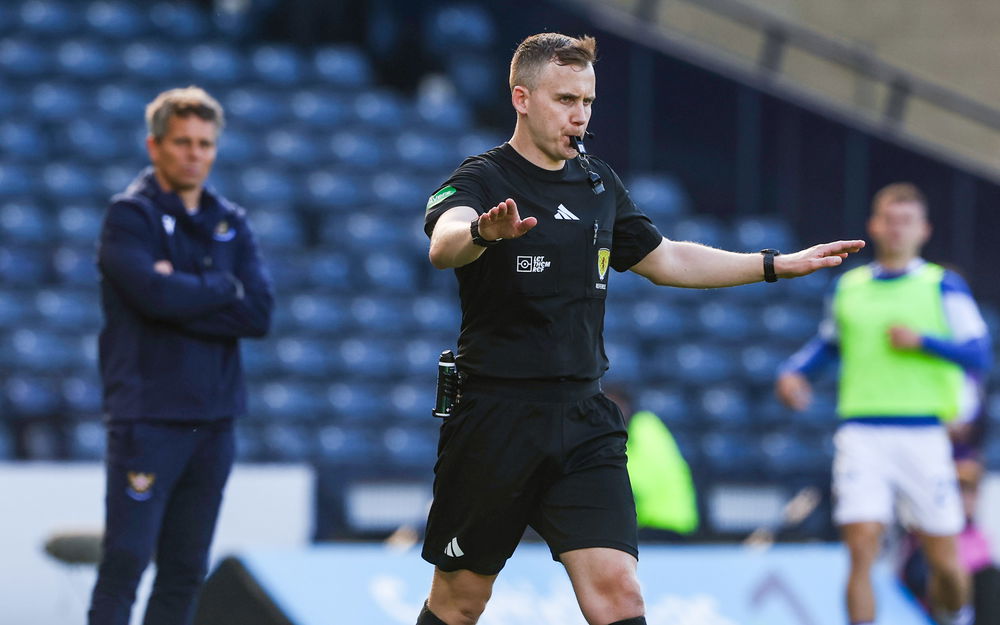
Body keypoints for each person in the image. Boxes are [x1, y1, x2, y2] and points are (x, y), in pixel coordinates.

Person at [419, 32, 864, 625]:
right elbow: (444, 244)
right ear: (521, 98)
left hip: (583, 419)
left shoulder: (598, 183)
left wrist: (773, 265)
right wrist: (481, 232)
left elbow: (667, 258)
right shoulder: (482, 178)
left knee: (619, 594)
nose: (579, 115)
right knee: (460, 602)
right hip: (495, 419)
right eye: (565, 100)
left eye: (587, 101)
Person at [88, 86, 274, 625]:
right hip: (148, 416)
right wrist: (220, 287)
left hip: (214, 420)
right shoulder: (129, 217)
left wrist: (180, 292)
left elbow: (258, 314)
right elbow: (152, 296)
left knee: (186, 569)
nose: (195, 153)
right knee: (126, 560)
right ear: (155, 146)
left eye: (204, 143)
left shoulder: (230, 220)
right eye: (182, 142)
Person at [775, 182, 990, 625]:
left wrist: (924, 342)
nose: (896, 229)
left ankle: (957, 617)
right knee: (861, 547)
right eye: (889, 220)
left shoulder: (941, 285)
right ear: (874, 226)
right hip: (862, 432)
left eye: (906, 221)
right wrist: (795, 372)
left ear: (924, 230)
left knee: (944, 561)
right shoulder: (850, 286)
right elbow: (830, 344)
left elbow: (979, 352)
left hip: (924, 433)